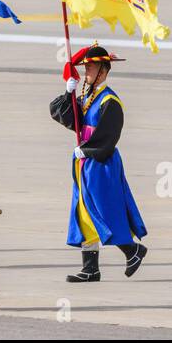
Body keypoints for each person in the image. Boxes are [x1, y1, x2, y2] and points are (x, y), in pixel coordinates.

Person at [48, 44, 148, 283]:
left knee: (103, 210)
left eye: (91, 68)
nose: (87, 72)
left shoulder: (109, 101)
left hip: (101, 161)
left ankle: (132, 250)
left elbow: (110, 135)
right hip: (85, 161)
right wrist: (68, 94)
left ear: (103, 70)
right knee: (84, 210)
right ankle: (90, 268)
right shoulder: (87, 97)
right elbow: (68, 118)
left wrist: (88, 150)